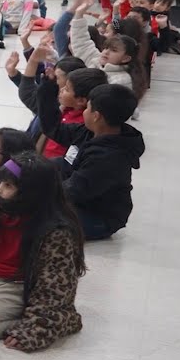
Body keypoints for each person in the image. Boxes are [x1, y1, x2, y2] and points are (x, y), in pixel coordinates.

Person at [0, 152, 86, 351]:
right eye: (0, 183)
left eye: (8, 186)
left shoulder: (56, 232)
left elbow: (53, 288)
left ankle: (25, 318)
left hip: (15, 287)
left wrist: (35, 327)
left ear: (29, 193)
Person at [35, 75, 144, 241]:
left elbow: (74, 190)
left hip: (99, 217)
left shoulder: (109, 158)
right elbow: (53, 129)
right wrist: (48, 89)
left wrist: (33, 193)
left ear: (96, 116)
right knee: (47, 165)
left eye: (87, 108)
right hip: (79, 198)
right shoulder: (88, 132)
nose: (83, 112)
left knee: (35, 216)